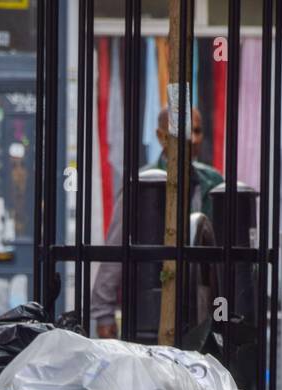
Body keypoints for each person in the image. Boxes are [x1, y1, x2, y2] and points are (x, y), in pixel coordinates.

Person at [90, 105, 224, 338]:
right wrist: (104, 313)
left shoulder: (212, 182)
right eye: (183, 132)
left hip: (203, 307)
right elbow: (115, 246)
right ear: (161, 137)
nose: (192, 139)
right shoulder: (143, 184)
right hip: (152, 304)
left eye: (197, 131)